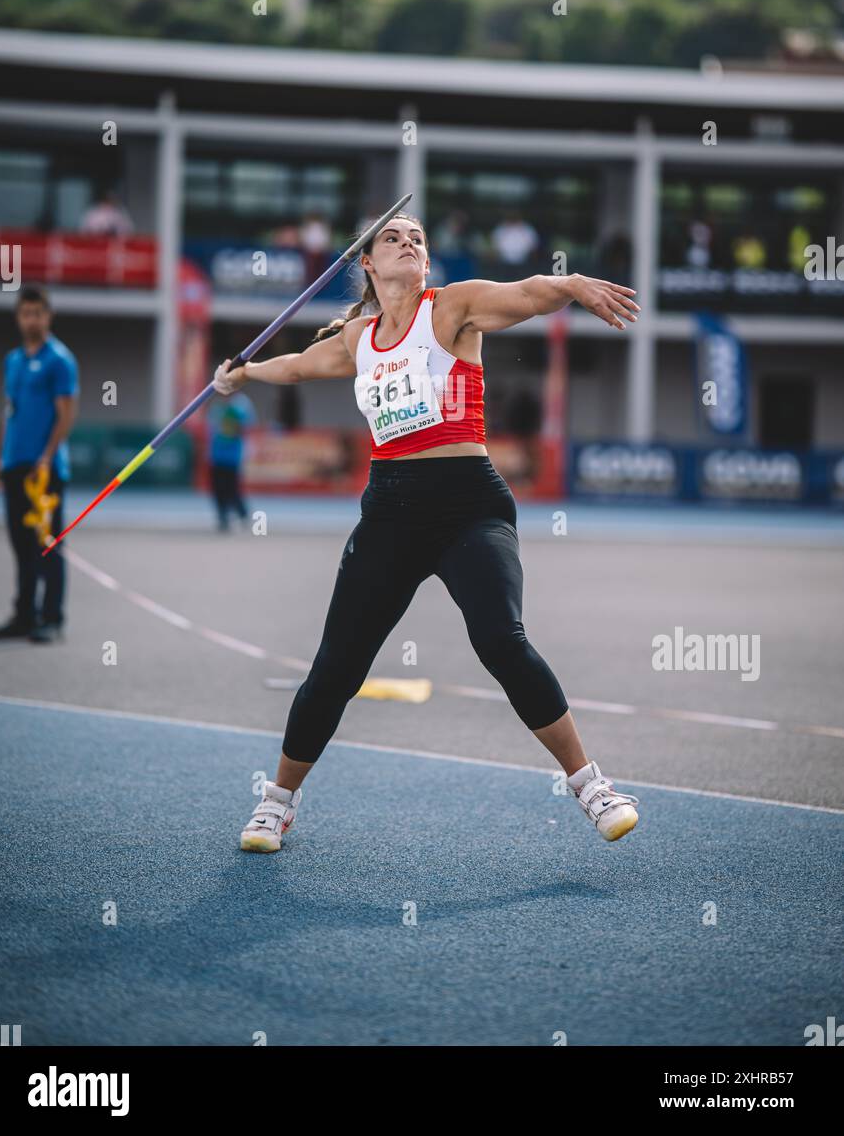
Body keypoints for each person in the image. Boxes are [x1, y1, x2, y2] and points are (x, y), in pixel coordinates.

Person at [213, 213, 642, 853]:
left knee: (501, 638)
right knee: (336, 667)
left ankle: (592, 786)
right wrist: (241, 375)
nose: (409, 243)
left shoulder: (452, 309)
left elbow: (525, 294)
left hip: (470, 505)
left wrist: (573, 283)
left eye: (417, 237)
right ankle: (277, 803)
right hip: (390, 513)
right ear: (366, 263)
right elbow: (299, 366)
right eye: (393, 237)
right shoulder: (358, 338)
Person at [0, 284, 79, 643]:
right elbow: (9, 413)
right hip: (14, 465)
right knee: (21, 544)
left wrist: (46, 457)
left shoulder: (60, 360)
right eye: (26, 313)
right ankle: (24, 614)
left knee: (48, 545)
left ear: (48, 316)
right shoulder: (13, 360)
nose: (32, 319)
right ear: (18, 317)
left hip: (45, 471)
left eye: (38, 313)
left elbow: (66, 414)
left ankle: (52, 618)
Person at [207, 392, 257, 532]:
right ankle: (223, 517)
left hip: (232, 456)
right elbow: (211, 429)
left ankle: (243, 514)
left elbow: (246, 426)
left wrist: (234, 420)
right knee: (218, 489)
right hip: (216, 455)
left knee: (232, 488)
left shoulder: (241, 404)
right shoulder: (217, 407)